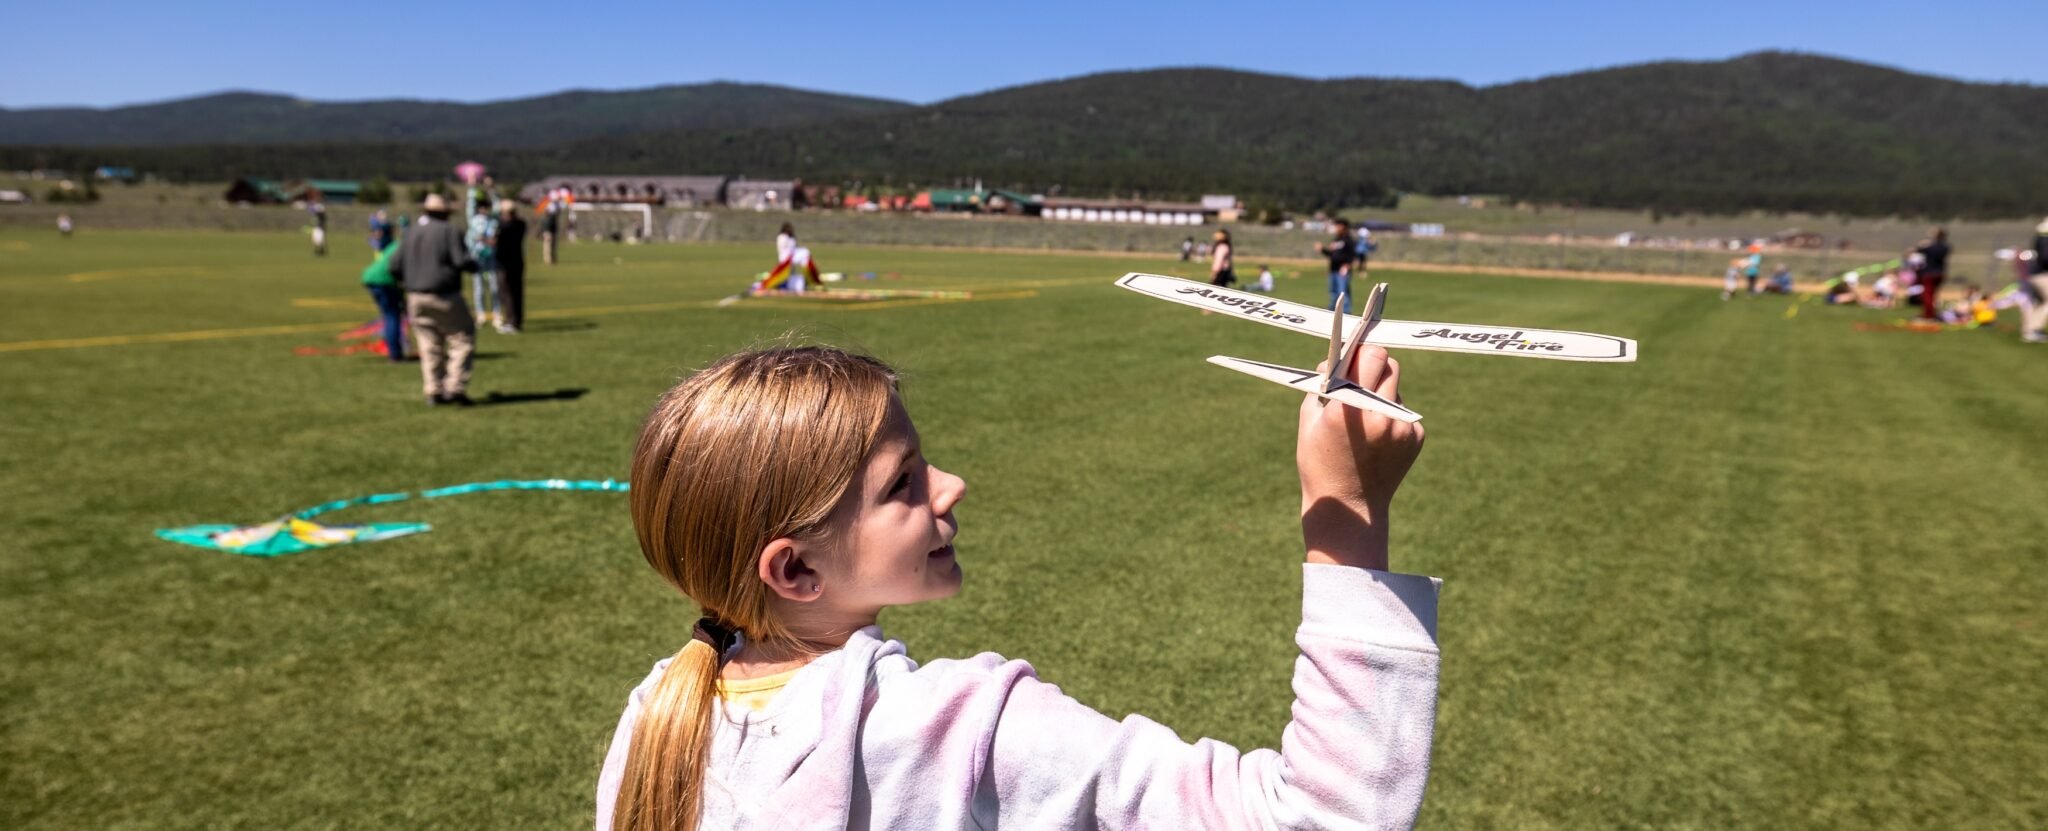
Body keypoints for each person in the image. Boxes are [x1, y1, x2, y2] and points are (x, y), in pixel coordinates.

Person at [595, 343, 1437, 831]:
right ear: (796, 570)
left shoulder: (656, 720)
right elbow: (1326, 815)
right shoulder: (959, 729)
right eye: (903, 484)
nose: (951, 485)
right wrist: (1350, 516)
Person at [387, 193, 478, 406]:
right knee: (462, 338)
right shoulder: (449, 231)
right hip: (444, 294)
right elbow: (460, 260)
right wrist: (474, 264)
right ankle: (454, 387)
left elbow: (394, 265)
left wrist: (406, 283)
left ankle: (433, 389)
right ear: (446, 213)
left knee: (428, 344)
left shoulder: (411, 232)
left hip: (416, 296)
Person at [360, 234, 408, 362]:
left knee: (389, 315)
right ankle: (395, 354)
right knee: (393, 316)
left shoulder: (396, 245)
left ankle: (394, 350)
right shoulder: (406, 248)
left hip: (371, 278)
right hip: (383, 281)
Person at [466, 186, 501, 327]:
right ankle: (480, 314)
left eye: (486, 207)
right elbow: (469, 206)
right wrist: (472, 187)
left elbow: (498, 206)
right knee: (479, 288)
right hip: (477, 257)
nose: (484, 210)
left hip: (491, 256)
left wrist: (492, 190)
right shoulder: (473, 220)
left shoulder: (493, 221)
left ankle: (496, 313)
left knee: (494, 287)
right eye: (481, 207)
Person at [494, 200, 528, 334]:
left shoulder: (505, 226)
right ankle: (516, 320)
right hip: (517, 262)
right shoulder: (521, 224)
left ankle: (511, 321)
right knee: (516, 292)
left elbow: (498, 241)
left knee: (507, 292)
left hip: (505, 263)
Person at [1314, 219, 1358, 312]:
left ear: (1344, 227)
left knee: (1342, 293)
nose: (1336, 228)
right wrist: (1322, 249)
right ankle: (1332, 311)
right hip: (1333, 270)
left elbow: (1353, 255)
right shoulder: (1336, 240)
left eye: (1338, 225)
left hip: (1342, 271)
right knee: (1333, 292)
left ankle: (1346, 313)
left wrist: (1347, 265)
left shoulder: (1348, 240)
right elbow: (1332, 254)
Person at [1915, 229, 1951, 320]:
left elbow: (1919, 250)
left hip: (1929, 273)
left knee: (1927, 295)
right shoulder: (1945, 247)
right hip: (1940, 273)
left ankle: (1928, 315)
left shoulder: (1930, 246)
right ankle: (1931, 313)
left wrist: (1923, 244)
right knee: (1933, 295)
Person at [2024, 218, 2048, 343]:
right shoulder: (2045, 240)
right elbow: (2046, 258)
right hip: (2042, 275)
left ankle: (2029, 331)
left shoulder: (2040, 238)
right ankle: (2034, 330)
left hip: (2035, 274)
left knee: (2040, 302)